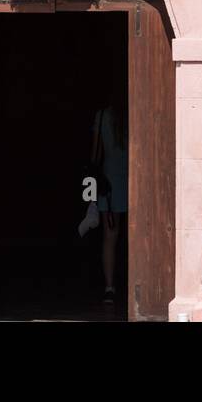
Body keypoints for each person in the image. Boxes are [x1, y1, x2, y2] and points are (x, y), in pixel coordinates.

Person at [90, 101, 127, 303]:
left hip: (110, 178)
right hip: (133, 174)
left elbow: (94, 153)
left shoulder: (103, 116)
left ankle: (110, 287)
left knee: (110, 235)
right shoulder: (135, 112)